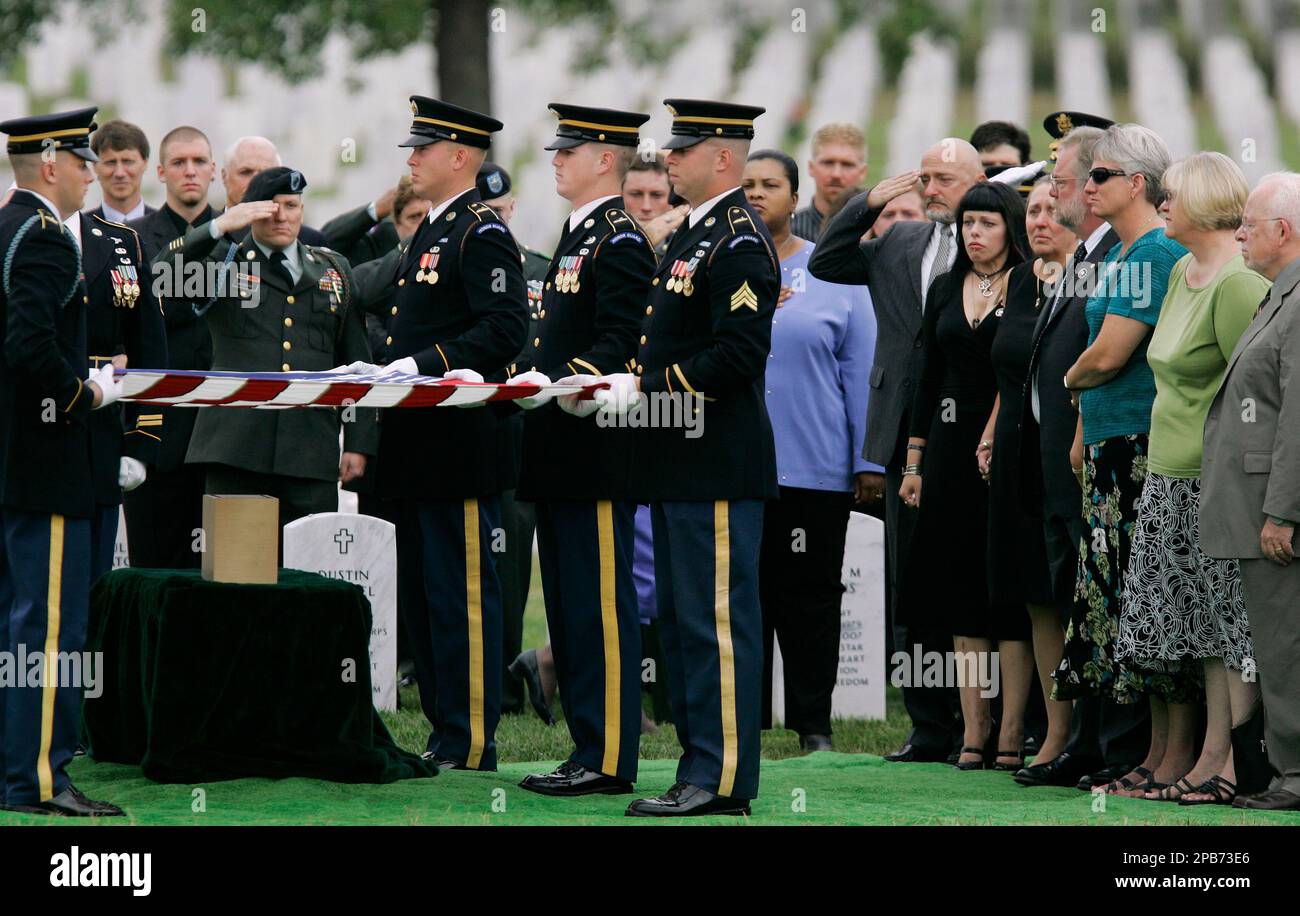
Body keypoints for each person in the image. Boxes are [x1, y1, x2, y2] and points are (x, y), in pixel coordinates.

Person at [579, 98, 778, 816]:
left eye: (683, 149)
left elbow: (739, 354)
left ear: (722, 157)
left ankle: (720, 778)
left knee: (714, 624)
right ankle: (699, 765)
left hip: (716, 464)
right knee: (683, 620)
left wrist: (646, 386)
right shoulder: (697, 235)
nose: (668, 159)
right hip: (679, 461)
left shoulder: (738, 241)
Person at [809, 137, 987, 764]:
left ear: (978, 179)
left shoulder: (996, 245)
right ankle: (927, 726)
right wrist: (867, 202)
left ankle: (983, 727)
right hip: (901, 422)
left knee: (966, 577)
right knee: (910, 582)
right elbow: (826, 262)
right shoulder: (903, 242)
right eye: (926, 178)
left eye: (945, 178)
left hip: (968, 427)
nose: (931, 188)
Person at [373, 95, 528, 771]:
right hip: (416, 444)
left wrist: (421, 365)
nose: (411, 159)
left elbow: (504, 329)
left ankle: (470, 737)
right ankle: (444, 728)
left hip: (459, 445)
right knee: (428, 593)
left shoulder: (480, 232)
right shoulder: (433, 231)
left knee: (462, 592)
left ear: (461, 156)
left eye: (423, 149)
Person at [1111, 152, 1266, 806]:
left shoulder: (1237, 285)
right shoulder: (1181, 269)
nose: (1162, 206)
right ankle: (1203, 756)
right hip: (1167, 477)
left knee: (1230, 628)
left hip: (1216, 481)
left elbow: (1259, 393)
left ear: (1201, 204)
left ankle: (1228, 762)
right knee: (1191, 629)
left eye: (1170, 196)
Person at [512, 104, 655, 797]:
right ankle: (585, 745)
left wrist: (558, 378)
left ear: (606, 159)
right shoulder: (577, 235)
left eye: (570, 150)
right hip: (559, 449)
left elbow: (621, 343)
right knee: (569, 610)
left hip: (595, 450)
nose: (556, 159)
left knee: (599, 609)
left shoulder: (619, 240)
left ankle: (609, 756)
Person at [1013, 114, 1152, 791]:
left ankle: (1109, 745)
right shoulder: (1093, 256)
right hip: (1073, 450)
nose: (1069, 190)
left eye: (1079, 177)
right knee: (1082, 598)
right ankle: (1084, 741)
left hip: (1114, 447)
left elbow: (1101, 356)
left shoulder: (1124, 254)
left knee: (1104, 597)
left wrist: (1072, 388)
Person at [0, 107, 126, 816]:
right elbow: (30, 345)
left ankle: (14, 768)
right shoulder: (45, 238)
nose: (92, 172)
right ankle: (39, 781)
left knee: (17, 624)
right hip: (49, 464)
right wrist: (89, 391)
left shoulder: (4, 226)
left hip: (17, 461)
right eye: (84, 160)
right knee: (49, 629)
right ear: (51, 165)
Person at [1056, 124, 1188, 797]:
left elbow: (1109, 355)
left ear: (1138, 183)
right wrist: (1082, 425)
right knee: (1117, 600)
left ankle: (1160, 753)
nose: (1085, 187)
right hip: (1109, 444)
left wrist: (1068, 381)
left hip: (1140, 446)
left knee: (1143, 599)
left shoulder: (1154, 253)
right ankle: (1143, 753)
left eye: (1100, 176)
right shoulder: (1125, 254)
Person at [743, 149, 881, 752]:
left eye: (769, 184)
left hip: (813, 466)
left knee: (810, 600)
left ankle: (812, 725)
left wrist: (869, 461)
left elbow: (861, 371)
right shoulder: (720, 270)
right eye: (745, 184)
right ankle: (743, 718)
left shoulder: (835, 275)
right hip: (736, 467)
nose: (755, 193)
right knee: (743, 597)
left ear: (794, 199)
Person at [898, 182, 1033, 770]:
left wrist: (995, 433)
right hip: (949, 448)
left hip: (1009, 444)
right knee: (956, 587)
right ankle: (973, 730)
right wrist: (914, 462)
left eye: (988, 223)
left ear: (1011, 228)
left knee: (1005, 584)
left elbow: (1027, 367)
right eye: (967, 224)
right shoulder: (943, 286)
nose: (975, 234)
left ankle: (1013, 730)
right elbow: (926, 376)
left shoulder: (1032, 284)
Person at [163, 167, 377, 533]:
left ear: (302, 211)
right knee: (238, 573)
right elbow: (160, 278)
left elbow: (355, 363)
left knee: (309, 575)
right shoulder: (223, 266)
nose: (282, 215)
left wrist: (357, 441)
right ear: (250, 211)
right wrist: (219, 227)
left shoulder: (333, 270)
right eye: (271, 206)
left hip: (309, 450)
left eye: (291, 205)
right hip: (236, 451)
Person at [1203, 172, 1300, 812]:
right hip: (1264, 503)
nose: (1239, 234)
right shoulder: (1279, 295)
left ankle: (1293, 776)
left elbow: (1296, 418)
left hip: (1278, 510)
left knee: (1285, 645)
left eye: (1249, 225)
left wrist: (1282, 513)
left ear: (1284, 232)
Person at [982, 176, 1077, 770]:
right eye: (1031, 211)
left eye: (1050, 210)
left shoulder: (1095, 279)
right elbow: (1012, 367)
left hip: (1069, 453)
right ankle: (1053, 731)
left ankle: (1088, 732)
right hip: (1020, 452)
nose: (1037, 220)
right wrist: (994, 426)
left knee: (1075, 589)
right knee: (1038, 595)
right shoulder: (1020, 281)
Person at [124, 126, 220, 570]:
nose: (190, 171)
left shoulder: (241, 240)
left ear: (214, 171)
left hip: (224, 434)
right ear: (160, 171)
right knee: (153, 569)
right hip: (158, 431)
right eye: (179, 162)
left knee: (226, 578)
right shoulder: (133, 239)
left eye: (199, 161)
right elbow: (152, 302)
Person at [70, 186, 169, 580]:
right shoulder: (17, 237)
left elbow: (150, 349)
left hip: (100, 438)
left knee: (93, 580)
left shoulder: (120, 243)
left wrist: (143, 441)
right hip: (29, 437)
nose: (86, 175)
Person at [220, 136, 326, 246]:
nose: (255, 182)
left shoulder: (311, 240)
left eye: (266, 173)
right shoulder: (209, 234)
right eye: (246, 172)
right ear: (224, 176)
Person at [791, 123, 868, 242]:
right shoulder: (789, 233)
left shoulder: (876, 230)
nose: (836, 174)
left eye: (847, 164)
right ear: (811, 168)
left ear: (863, 172)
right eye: (828, 163)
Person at [86, 119, 155, 223]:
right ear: (95, 166)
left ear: (145, 163)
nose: (120, 173)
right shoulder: (78, 231)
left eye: (128, 162)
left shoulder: (170, 230)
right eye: (110, 162)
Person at [622, 155, 687, 255]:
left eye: (657, 195)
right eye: (636, 194)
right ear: (620, 195)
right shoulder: (598, 242)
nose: (646, 207)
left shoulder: (686, 247)